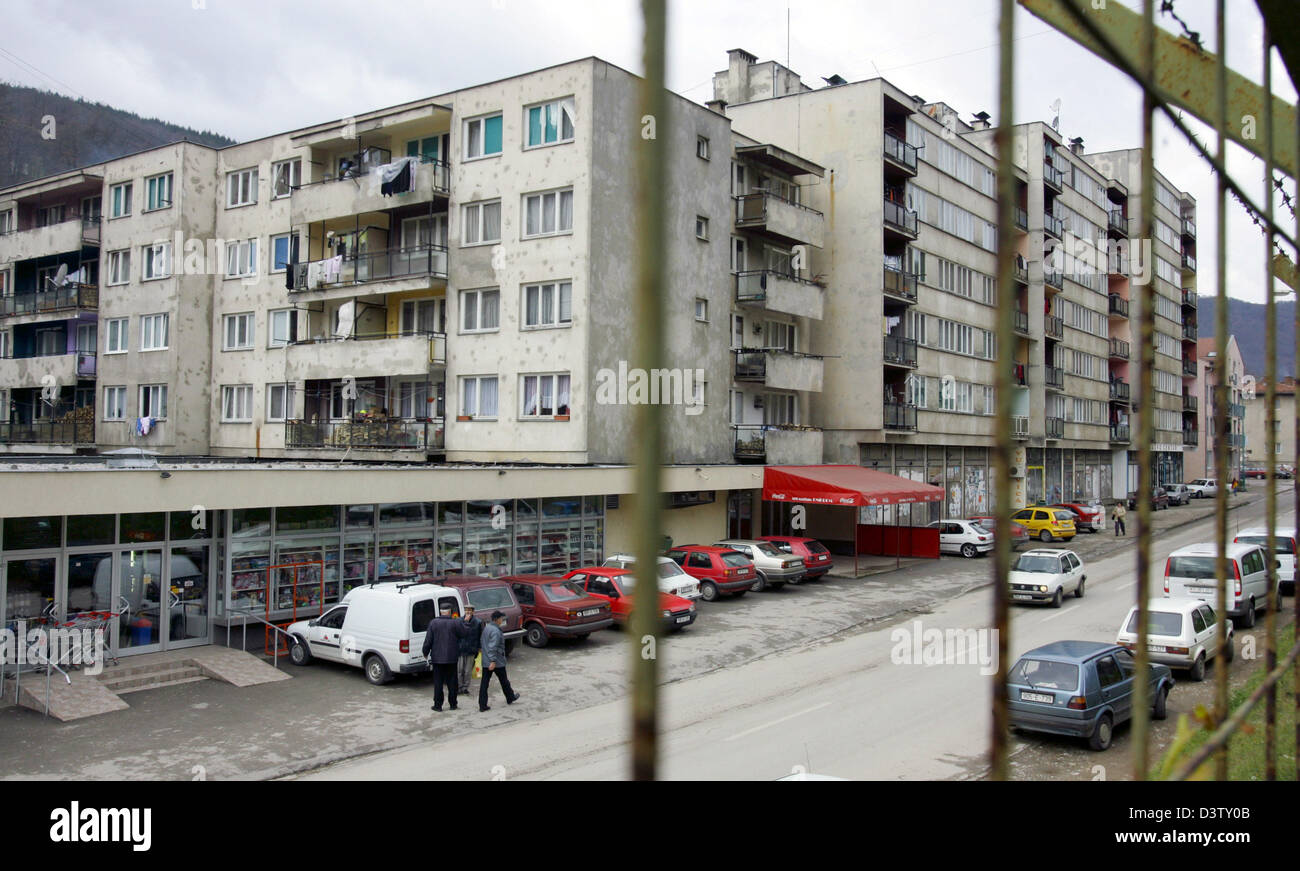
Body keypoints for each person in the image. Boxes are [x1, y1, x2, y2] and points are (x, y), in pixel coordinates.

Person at [422, 602, 469, 711]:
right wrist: (465, 622)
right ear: (450, 612)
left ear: (440, 612)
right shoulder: (455, 623)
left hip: (437, 658)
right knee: (452, 681)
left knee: (438, 682)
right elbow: (465, 633)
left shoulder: (433, 623)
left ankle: (438, 705)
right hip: (452, 658)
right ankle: (453, 704)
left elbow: (428, 640)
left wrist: (425, 652)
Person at [478, 610, 520, 712]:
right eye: (501, 618)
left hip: (486, 659)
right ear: (497, 620)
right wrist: (493, 661)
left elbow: (482, 642)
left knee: (485, 683)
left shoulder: (487, 628)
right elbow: (493, 647)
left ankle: (482, 704)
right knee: (504, 680)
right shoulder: (496, 631)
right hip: (496, 661)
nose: (502, 620)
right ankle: (510, 697)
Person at [457, 605, 483, 695]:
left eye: (469, 610)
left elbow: (480, 636)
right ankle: (459, 687)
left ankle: (465, 687)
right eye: (466, 610)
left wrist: (479, 648)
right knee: (460, 670)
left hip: (471, 649)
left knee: (468, 670)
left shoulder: (478, 622)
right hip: (460, 649)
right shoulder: (459, 621)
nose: (468, 612)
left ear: (473, 612)